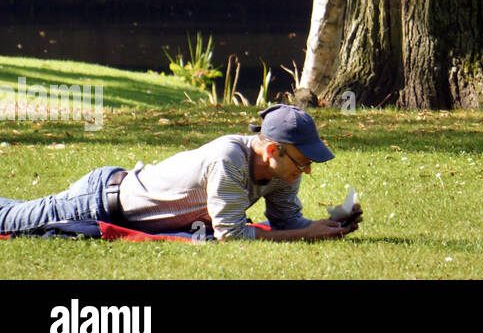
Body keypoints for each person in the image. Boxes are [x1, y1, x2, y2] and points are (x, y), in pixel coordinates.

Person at [0, 104, 361, 241]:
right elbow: (232, 236)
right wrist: (306, 236)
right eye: (302, 162)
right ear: (271, 151)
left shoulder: (280, 174)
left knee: (12, 211)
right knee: (11, 221)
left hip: (112, 192)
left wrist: (330, 227)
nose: (307, 170)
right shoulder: (229, 161)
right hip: (96, 203)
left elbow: (285, 223)